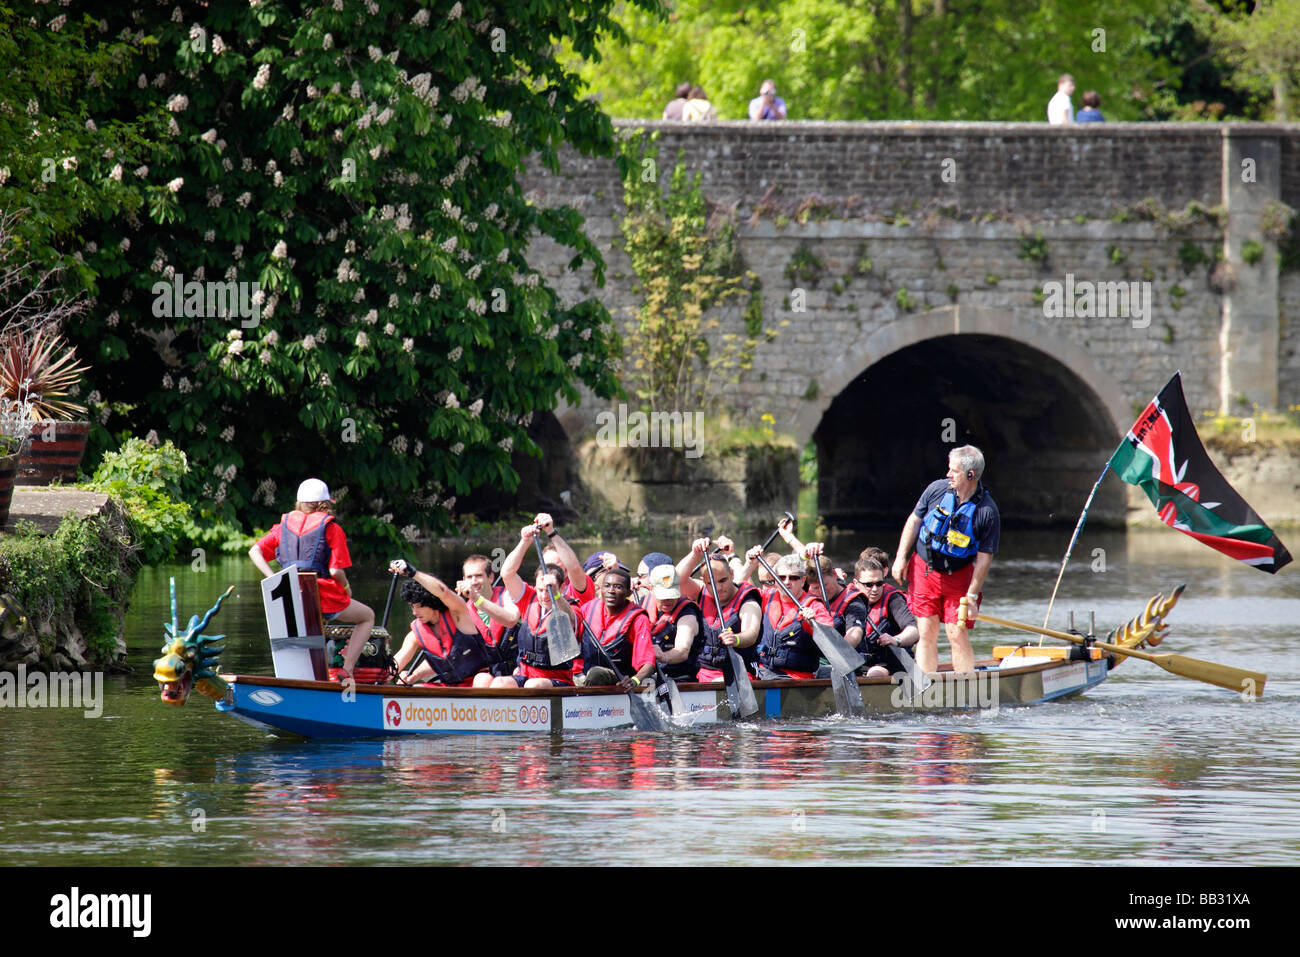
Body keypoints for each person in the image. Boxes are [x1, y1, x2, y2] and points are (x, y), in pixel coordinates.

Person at [249, 478, 375, 681]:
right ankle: (347, 670)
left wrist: (275, 579)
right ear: (325, 503)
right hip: (321, 595)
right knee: (367, 616)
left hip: (288, 595)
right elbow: (335, 572)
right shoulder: (332, 529)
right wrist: (346, 587)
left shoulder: (281, 528)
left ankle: (302, 678)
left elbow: (254, 551)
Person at [891, 445, 1001, 675]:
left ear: (970, 475)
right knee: (926, 631)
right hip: (924, 569)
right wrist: (901, 557)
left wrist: (972, 595)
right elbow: (914, 521)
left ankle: (965, 688)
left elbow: (984, 558)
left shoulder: (986, 511)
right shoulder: (937, 490)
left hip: (959, 576)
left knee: (956, 632)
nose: (948, 474)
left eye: (954, 471)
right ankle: (926, 686)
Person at [489, 522, 580, 688]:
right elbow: (507, 573)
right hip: (525, 673)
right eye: (541, 590)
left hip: (557, 680)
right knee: (499, 683)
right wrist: (524, 541)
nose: (545, 595)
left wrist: (557, 596)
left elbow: (569, 617)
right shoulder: (529, 600)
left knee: (533, 685)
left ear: (562, 587)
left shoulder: (571, 608)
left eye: (550, 591)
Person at [388, 560, 496, 686]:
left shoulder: (458, 613)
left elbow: (443, 592)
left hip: (478, 681)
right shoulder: (415, 635)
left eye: (419, 606)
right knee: (415, 688)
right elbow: (394, 666)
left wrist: (412, 572)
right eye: (412, 607)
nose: (414, 612)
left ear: (432, 602)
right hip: (449, 687)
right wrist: (377, 677)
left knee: (483, 680)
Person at [676, 538, 762, 682]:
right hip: (704, 673)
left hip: (740, 673)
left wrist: (736, 639)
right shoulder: (700, 591)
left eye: (723, 580)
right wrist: (695, 554)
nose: (719, 588)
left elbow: (751, 633)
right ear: (704, 582)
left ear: (732, 575)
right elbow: (676, 581)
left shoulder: (748, 603)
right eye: (711, 583)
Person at [756, 553, 832, 679]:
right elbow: (736, 590)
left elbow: (829, 637)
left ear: (802, 581)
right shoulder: (767, 596)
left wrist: (815, 624)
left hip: (798, 677)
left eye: (793, 578)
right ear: (775, 580)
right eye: (782, 577)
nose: (787, 582)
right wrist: (750, 562)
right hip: (765, 671)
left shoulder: (813, 605)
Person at [578, 564, 654, 689]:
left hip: (620, 679)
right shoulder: (587, 609)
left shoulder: (638, 619)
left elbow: (648, 663)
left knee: (596, 673)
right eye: (607, 586)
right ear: (600, 589)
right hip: (585, 677)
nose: (611, 591)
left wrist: (635, 680)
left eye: (618, 587)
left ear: (628, 593)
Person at [854, 554, 919, 678]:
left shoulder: (894, 600)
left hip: (887, 664)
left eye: (879, 583)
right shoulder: (849, 600)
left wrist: (896, 640)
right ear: (856, 583)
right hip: (856, 663)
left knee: (874, 674)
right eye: (868, 584)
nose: (875, 589)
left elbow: (914, 631)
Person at [644, 564, 703, 682]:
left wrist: (663, 656)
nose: (668, 600)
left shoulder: (687, 615)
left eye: (671, 595)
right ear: (651, 588)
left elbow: (682, 651)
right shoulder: (643, 605)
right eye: (663, 596)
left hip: (679, 679)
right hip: (649, 676)